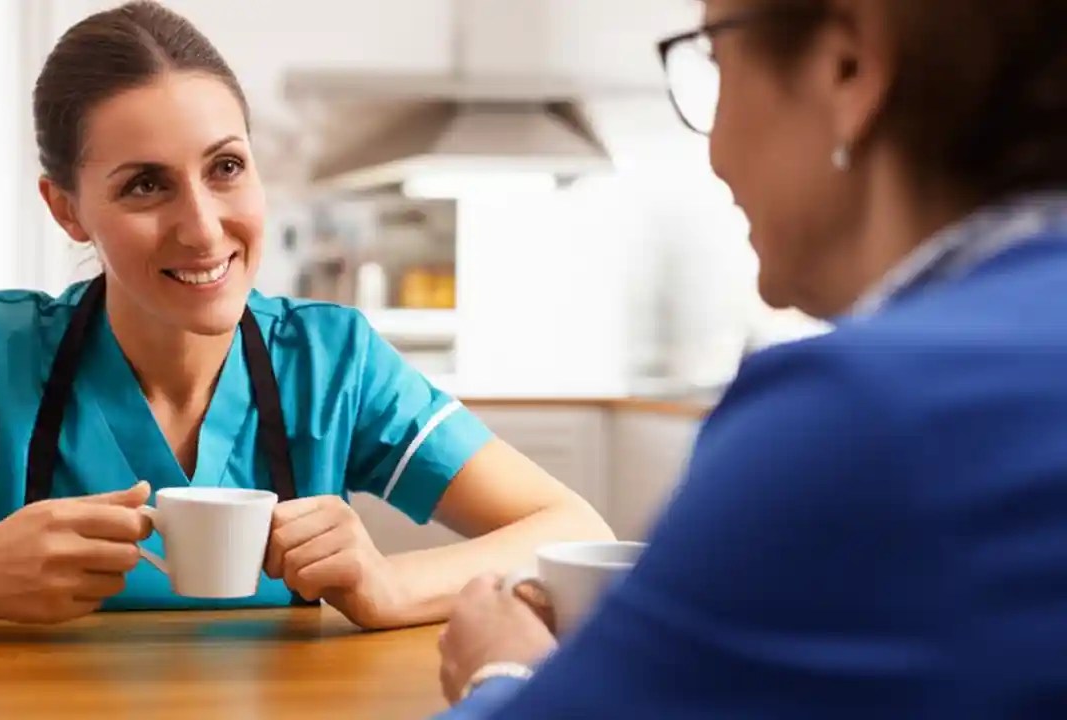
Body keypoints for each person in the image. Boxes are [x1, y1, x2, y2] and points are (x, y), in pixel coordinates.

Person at [0, 0, 612, 629]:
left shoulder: (332, 364)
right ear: (68, 210)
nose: (203, 227)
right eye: (145, 184)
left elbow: (571, 526)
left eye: (225, 167)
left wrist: (389, 583)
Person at [436, 0, 1067, 716]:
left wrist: (505, 675)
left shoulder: (864, 419)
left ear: (846, 68)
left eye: (714, 63)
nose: (716, 153)